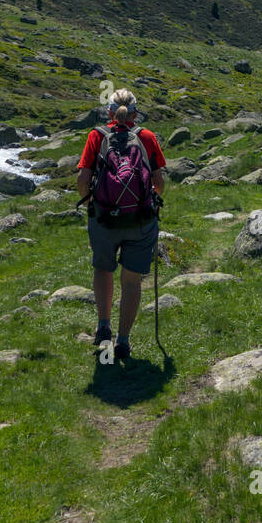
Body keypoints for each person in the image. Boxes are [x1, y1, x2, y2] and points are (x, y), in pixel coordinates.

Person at [75, 89, 166, 360]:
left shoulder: (97, 136)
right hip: (140, 219)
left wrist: (92, 203)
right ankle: (123, 342)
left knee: (103, 269)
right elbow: (159, 181)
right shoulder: (147, 137)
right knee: (131, 280)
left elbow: (82, 178)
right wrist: (153, 201)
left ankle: (103, 327)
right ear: (135, 114)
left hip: (104, 217)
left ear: (109, 113)